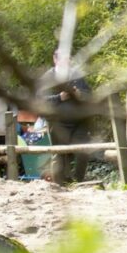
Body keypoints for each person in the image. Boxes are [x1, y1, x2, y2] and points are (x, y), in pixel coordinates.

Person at [42, 49, 91, 183]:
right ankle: (59, 183)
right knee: (59, 154)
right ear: (55, 59)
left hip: (79, 122)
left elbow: (90, 95)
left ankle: (78, 181)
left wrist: (80, 95)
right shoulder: (48, 77)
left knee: (83, 151)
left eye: (68, 58)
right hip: (58, 123)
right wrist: (59, 97)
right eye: (63, 58)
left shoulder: (77, 75)